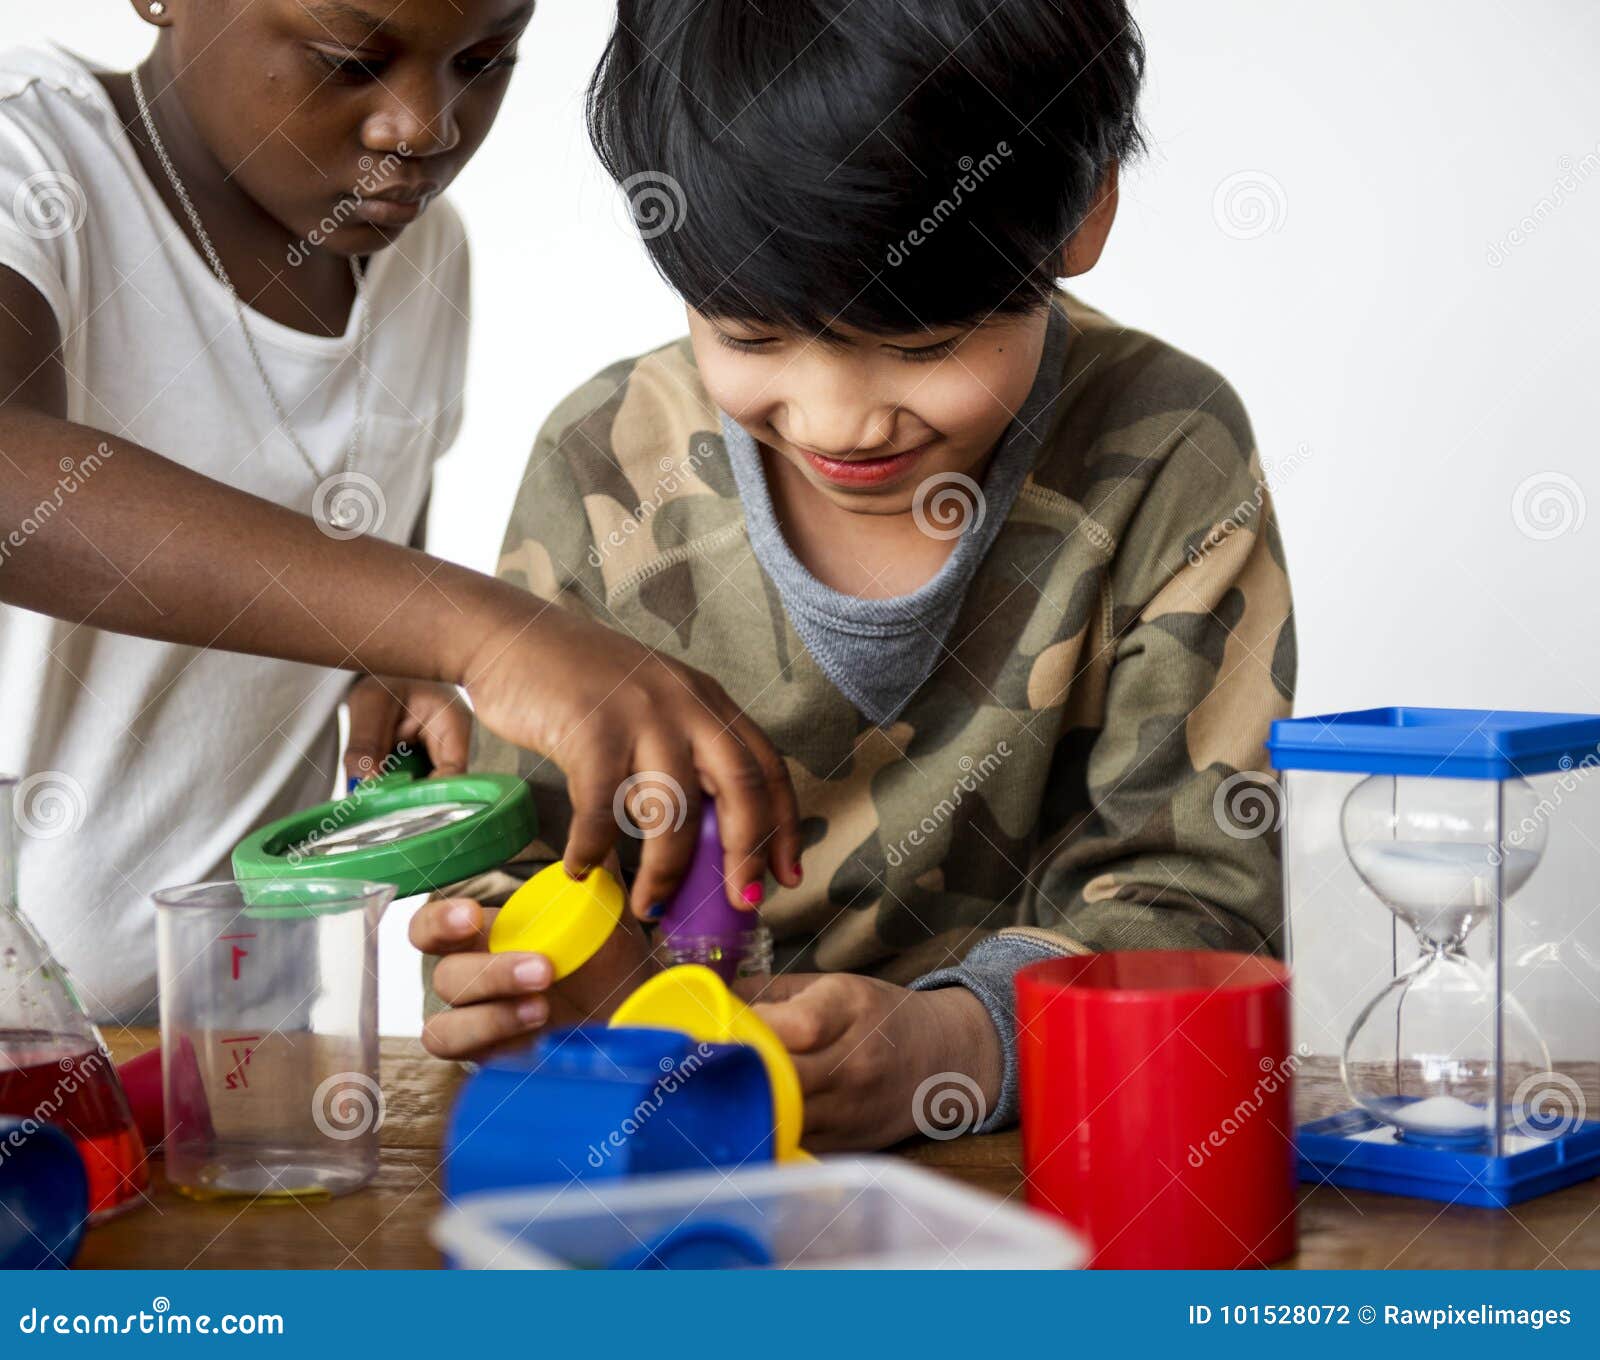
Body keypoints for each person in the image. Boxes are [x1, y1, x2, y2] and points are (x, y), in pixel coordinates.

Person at [414, 0, 1296, 1149]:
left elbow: (1198, 905)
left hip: (1028, 1190)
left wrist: (956, 1048)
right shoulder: (604, 465)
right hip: (664, 1165)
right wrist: (519, 968)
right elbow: (523, 851)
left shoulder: (1165, 448)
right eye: (748, 335)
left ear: (1081, 216)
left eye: (922, 346)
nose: (838, 417)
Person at [0, 0, 799, 1025]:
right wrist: (473, 630)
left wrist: (389, 666)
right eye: (350, 61)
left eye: (483, 59)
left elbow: (349, 563)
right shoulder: (33, 163)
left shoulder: (421, 260)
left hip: (234, 1057)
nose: (425, 127)